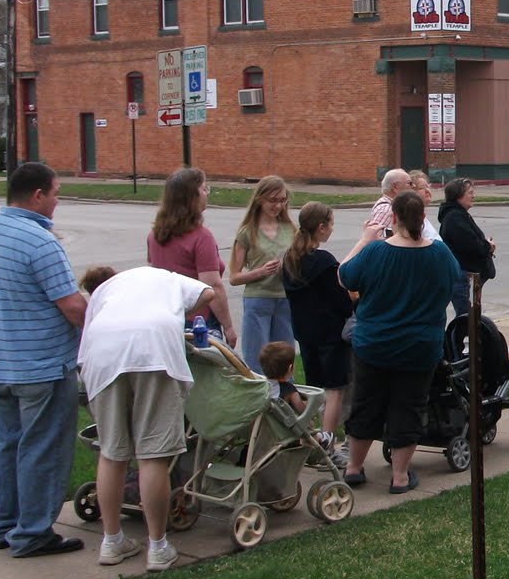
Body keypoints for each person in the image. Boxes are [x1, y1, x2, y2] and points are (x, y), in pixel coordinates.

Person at [0, 162, 88, 558]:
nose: (57, 202)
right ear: (37, 195)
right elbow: (72, 306)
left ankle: (3, 524)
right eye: (55, 194)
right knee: (43, 448)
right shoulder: (41, 242)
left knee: (7, 444)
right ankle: (33, 532)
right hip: (43, 365)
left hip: (0, 361)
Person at [77, 263, 211, 573]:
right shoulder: (170, 279)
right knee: (153, 456)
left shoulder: (109, 290)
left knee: (111, 453)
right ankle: (158, 546)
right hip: (154, 350)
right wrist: (183, 315)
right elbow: (207, 293)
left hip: (102, 354)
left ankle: (112, 540)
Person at [338, 190, 461, 495]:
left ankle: (353, 468)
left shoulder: (375, 252)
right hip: (419, 346)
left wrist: (365, 238)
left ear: (393, 218)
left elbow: (345, 277)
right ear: (423, 218)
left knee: (366, 403)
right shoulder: (440, 255)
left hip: (374, 344)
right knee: (409, 406)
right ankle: (400, 476)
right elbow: (453, 281)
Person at [282, 202, 354, 464]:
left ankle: (309, 438)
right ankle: (329, 443)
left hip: (305, 333)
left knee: (313, 388)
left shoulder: (290, 259)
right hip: (330, 334)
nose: (332, 229)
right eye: (331, 224)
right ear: (321, 227)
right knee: (335, 390)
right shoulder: (324, 263)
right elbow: (342, 301)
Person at [147, 166, 236, 347]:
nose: (207, 193)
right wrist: (228, 327)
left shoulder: (155, 235)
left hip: (167, 318)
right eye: (204, 189)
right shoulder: (201, 237)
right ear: (191, 197)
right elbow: (212, 286)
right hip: (198, 323)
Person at [229, 176, 296, 355]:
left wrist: (289, 267)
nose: (278, 206)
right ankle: (260, 384)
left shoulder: (290, 229)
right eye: (272, 200)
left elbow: (300, 262)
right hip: (258, 299)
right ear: (260, 200)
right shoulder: (247, 232)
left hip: (285, 298)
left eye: (282, 200)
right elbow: (234, 277)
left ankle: (284, 384)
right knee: (256, 356)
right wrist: (261, 271)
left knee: (284, 355)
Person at [438, 177, 495, 317]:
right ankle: (462, 337)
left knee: (469, 316)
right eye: (470, 192)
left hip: (466, 275)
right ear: (458, 196)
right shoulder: (454, 218)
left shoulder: (460, 215)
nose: (473, 195)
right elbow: (470, 245)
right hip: (462, 274)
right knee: (465, 317)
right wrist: (488, 246)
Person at [258, 341, 306, 415]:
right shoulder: (289, 389)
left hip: (262, 424)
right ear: (290, 368)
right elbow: (302, 411)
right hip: (283, 424)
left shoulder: (259, 386)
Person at [367, 169, 412, 237]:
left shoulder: (393, 206)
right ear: (395, 186)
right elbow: (373, 238)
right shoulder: (386, 210)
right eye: (409, 183)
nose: (413, 186)